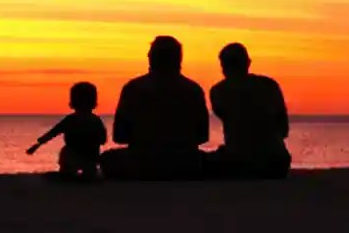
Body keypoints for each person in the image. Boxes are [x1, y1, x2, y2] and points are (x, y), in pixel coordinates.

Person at [99, 36, 210, 180]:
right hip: (185, 164)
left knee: (107, 158)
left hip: (142, 163)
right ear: (179, 59)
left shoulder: (133, 88)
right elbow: (202, 136)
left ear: (151, 58)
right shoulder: (193, 89)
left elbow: (120, 136)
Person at [205, 42, 291, 179]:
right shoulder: (269, 85)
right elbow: (284, 129)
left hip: (240, 162)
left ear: (223, 66)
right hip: (278, 163)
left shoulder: (218, 91)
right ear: (248, 63)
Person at [26, 81, 107, 180]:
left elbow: (54, 132)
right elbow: (103, 139)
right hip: (90, 155)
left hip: (77, 154)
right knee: (85, 163)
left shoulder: (71, 119)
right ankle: (86, 172)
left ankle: (70, 172)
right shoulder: (95, 120)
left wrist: (38, 144)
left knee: (67, 153)